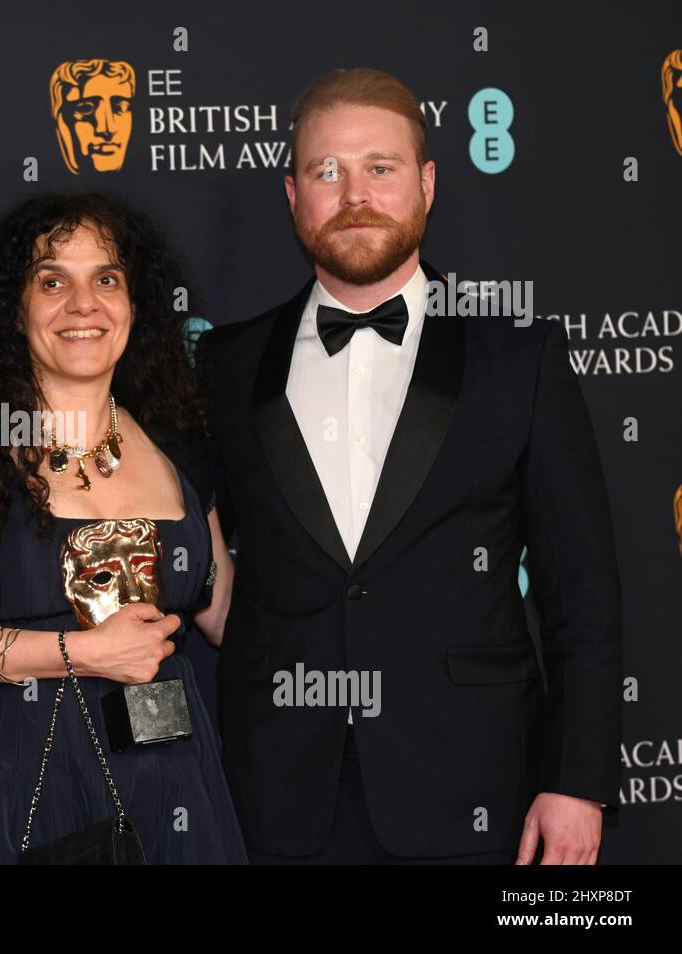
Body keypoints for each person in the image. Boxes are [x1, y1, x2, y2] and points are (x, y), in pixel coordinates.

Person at [198, 68, 622, 864]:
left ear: (427, 182)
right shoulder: (224, 365)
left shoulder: (518, 354)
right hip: (277, 792)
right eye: (327, 171)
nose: (354, 194)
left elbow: (584, 593)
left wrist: (578, 783)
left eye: (380, 168)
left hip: (475, 788)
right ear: (292, 192)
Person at [0, 192, 246, 863]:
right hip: (26, 778)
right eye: (51, 282)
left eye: (106, 279)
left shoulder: (175, 441)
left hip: (174, 778)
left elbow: (223, 612)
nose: (83, 305)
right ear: (16, 309)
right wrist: (84, 652)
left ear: (133, 302)